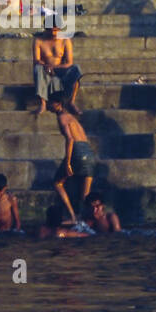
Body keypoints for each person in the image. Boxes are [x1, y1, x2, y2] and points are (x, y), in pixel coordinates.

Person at [49, 91, 96, 222]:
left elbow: (70, 140)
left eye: (50, 103)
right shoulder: (71, 117)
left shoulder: (62, 117)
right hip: (89, 153)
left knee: (57, 183)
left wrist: (68, 163)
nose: (48, 105)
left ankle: (73, 216)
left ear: (58, 104)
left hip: (78, 152)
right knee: (85, 196)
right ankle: (87, 221)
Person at [33, 18, 82, 115]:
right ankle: (42, 104)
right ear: (46, 29)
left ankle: (71, 102)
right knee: (37, 68)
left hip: (61, 71)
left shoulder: (65, 40)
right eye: (51, 30)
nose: (54, 33)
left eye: (56, 30)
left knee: (76, 69)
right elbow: (36, 60)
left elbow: (69, 62)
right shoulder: (38, 41)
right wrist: (46, 66)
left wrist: (55, 68)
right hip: (45, 71)